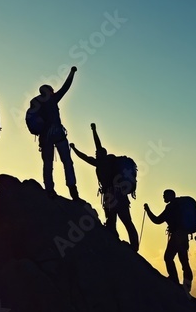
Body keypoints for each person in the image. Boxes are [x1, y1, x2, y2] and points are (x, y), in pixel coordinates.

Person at [69, 123, 139, 250]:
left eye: (97, 153)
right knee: (126, 221)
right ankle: (133, 246)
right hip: (120, 195)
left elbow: (86, 155)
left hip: (110, 195)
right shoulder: (109, 161)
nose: (95, 153)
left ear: (102, 154)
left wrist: (92, 133)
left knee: (113, 220)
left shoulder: (101, 162)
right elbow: (89, 153)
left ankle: (116, 241)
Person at [28, 66, 79, 199]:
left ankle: (49, 189)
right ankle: (73, 190)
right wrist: (72, 73)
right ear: (49, 91)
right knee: (67, 161)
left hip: (45, 137)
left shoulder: (35, 102)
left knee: (48, 164)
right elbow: (66, 87)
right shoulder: (52, 99)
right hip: (58, 134)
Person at [144, 190, 195, 293]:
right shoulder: (179, 206)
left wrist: (148, 210)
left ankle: (174, 280)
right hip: (184, 236)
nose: (163, 197)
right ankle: (187, 286)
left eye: (164, 195)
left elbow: (157, 220)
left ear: (170, 196)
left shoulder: (171, 207)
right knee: (184, 261)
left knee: (168, 257)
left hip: (177, 236)